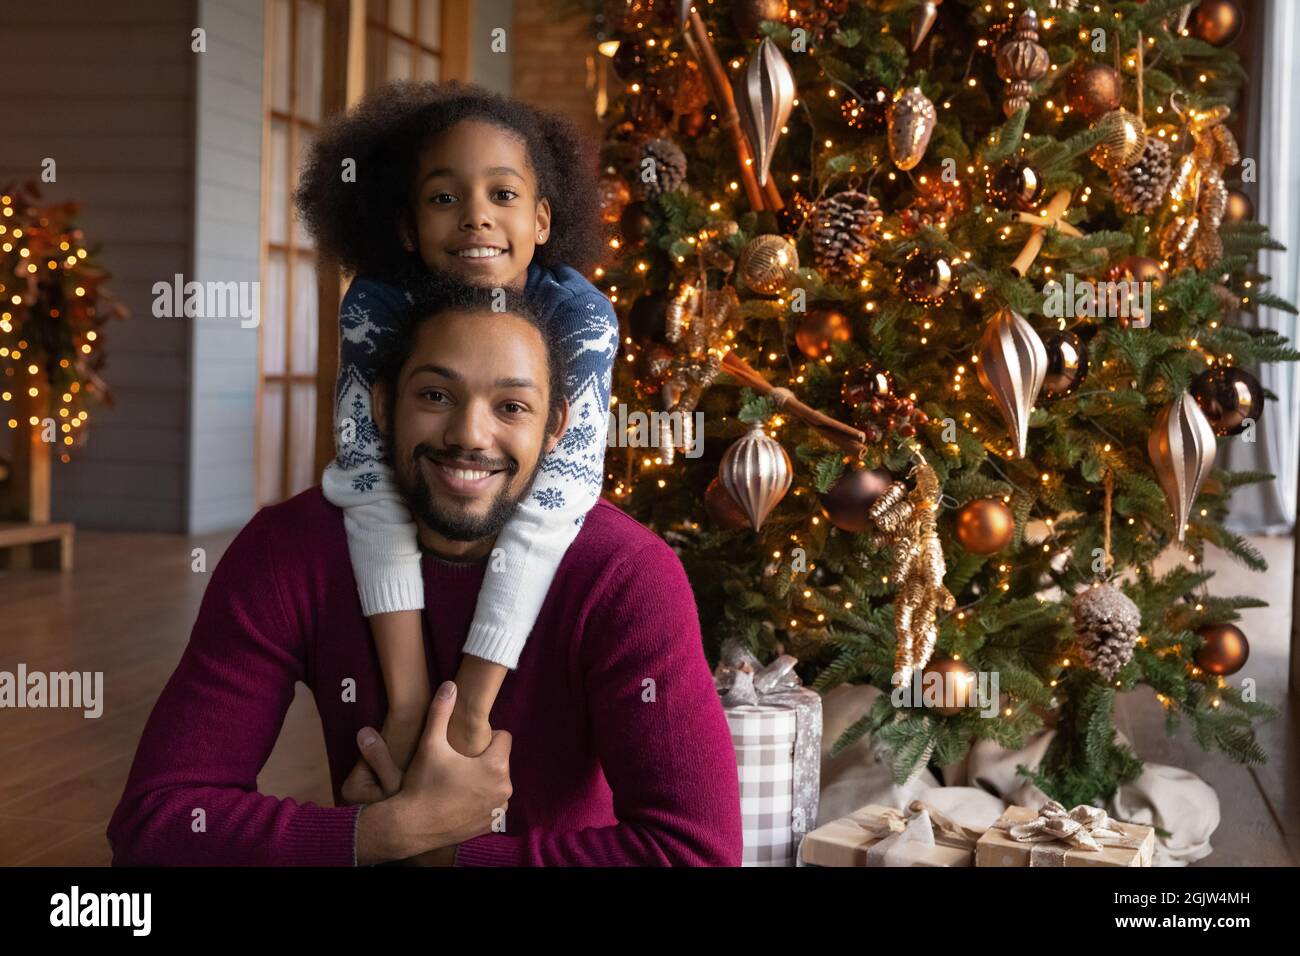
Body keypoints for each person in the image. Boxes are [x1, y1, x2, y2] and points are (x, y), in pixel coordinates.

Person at [106, 277, 743, 866]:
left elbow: (697, 852)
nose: (469, 434)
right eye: (436, 395)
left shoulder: (625, 575)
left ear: (555, 428)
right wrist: (384, 834)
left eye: (512, 407)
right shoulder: (291, 551)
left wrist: (444, 853)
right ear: (383, 406)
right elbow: (156, 823)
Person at [294, 80, 618, 780]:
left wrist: (469, 714)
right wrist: (408, 704)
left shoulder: (582, 318)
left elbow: (550, 510)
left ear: (541, 220)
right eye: (445, 198)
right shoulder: (375, 304)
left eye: (502, 196)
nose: (476, 218)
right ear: (407, 226)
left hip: (531, 564)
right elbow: (368, 484)